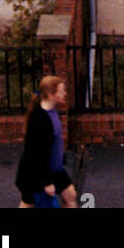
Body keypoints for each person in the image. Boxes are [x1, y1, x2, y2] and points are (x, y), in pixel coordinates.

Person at [15, 75, 78, 208]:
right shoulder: (40, 120)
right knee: (29, 202)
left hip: (54, 169)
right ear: (51, 94)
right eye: (62, 91)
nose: (65, 93)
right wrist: (46, 182)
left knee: (70, 196)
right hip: (37, 174)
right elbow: (35, 155)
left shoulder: (51, 111)